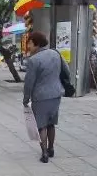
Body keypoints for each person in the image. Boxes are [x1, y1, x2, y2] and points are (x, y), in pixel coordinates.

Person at [23, 31, 70, 163]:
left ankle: (44, 153)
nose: (28, 47)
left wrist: (26, 98)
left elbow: (29, 83)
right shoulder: (56, 53)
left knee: (41, 125)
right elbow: (66, 71)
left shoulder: (33, 60)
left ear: (37, 44)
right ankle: (51, 149)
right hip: (56, 94)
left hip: (40, 96)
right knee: (51, 123)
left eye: (30, 44)